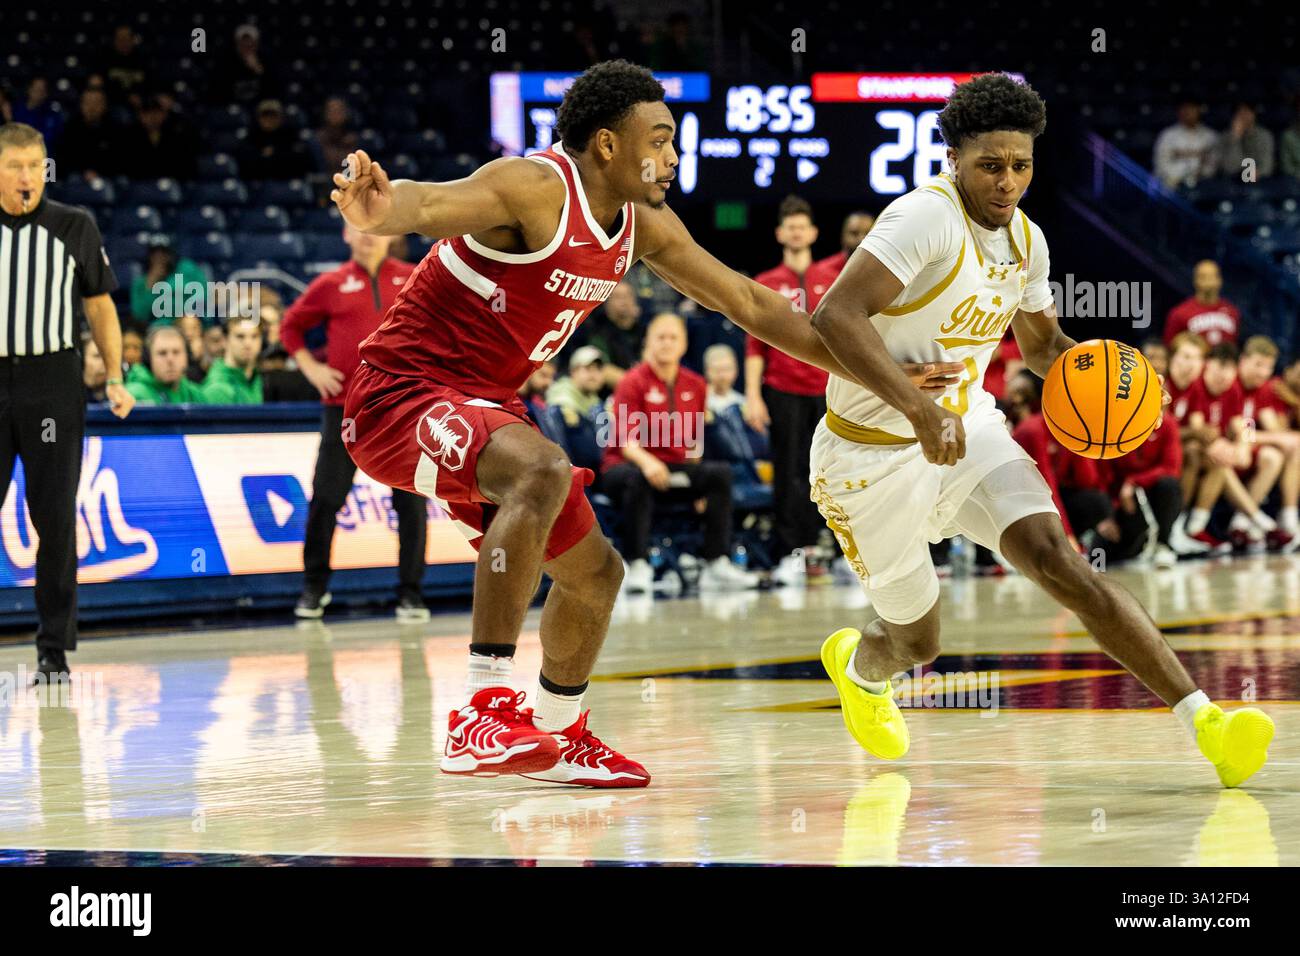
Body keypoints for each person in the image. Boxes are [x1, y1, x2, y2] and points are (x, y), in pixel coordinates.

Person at [332, 60, 954, 788]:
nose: (675, 155)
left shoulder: (643, 226)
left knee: (596, 575)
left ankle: (558, 733)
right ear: (606, 144)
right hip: (397, 395)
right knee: (543, 469)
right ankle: (479, 709)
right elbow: (430, 204)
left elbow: (753, 306)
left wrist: (874, 369)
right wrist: (379, 209)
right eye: (661, 138)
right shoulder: (534, 187)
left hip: (483, 408)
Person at [807, 73, 1274, 789]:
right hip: (869, 455)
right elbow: (833, 315)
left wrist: (1118, 383)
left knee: (1065, 563)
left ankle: (1207, 722)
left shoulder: (1027, 240)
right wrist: (913, 405)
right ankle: (860, 669)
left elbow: (1041, 345)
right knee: (917, 642)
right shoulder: (922, 219)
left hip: (965, 430)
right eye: (990, 164)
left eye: (1021, 165)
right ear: (954, 158)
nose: (1007, 181)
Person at [0, 122, 135, 683]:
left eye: (35, 165)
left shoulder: (73, 225)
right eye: (15, 166)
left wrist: (116, 376)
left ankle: (52, 649)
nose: (27, 176)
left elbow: (100, 305)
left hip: (52, 382)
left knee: (54, 518)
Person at [280, 224, 429, 621]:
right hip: (344, 410)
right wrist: (312, 368)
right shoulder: (330, 284)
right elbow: (289, 326)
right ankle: (314, 589)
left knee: (411, 503)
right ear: (344, 234)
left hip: (400, 408)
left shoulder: (412, 276)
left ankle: (410, 594)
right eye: (357, 228)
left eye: (374, 227)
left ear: (389, 233)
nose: (366, 235)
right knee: (326, 499)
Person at [601, 312, 756, 593]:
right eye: (661, 337)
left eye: (674, 337)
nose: (667, 343)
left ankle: (715, 562)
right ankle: (636, 564)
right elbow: (626, 441)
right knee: (638, 478)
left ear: (684, 344)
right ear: (648, 342)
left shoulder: (695, 384)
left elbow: (694, 442)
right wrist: (648, 464)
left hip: (674, 466)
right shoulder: (632, 382)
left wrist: (697, 486)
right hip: (627, 464)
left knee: (718, 474)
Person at [744, 195, 839, 582]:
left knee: (829, 471)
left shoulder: (834, 280)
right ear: (780, 233)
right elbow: (755, 346)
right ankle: (790, 553)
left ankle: (830, 549)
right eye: (790, 226)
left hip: (827, 388)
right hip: (782, 389)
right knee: (788, 473)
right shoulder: (766, 283)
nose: (797, 232)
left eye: (803, 226)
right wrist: (752, 395)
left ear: (813, 232)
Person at [1162, 260, 1240, 347]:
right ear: (1195, 280)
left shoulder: (1232, 312)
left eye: (1213, 276)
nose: (1209, 282)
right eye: (1203, 277)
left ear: (1220, 280)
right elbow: (1170, 347)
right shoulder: (1179, 314)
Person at [125, 324, 208, 404]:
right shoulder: (132, 396)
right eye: (162, 353)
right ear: (148, 359)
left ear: (187, 357)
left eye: (176, 352)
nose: (170, 359)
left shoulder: (195, 394)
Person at [1154, 99, 1219, 189]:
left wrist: (1181, 155)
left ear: (1198, 110)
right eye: (1184, 108)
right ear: (1178, 111)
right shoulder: (1167, 135)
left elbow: (1213, 166)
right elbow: (1161, 165)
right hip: (1172, 185)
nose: (1187, 112)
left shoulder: (1210, 135)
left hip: (1203, 184)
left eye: (1191, 108)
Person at [201, 314, 264, 403]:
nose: (248, 343)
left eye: (254, 336)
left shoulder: (257, 380)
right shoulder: (217, 389)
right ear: (225, 340)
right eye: (240, 336)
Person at [546, 345, 605, 422]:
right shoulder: (561, 398)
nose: (594, 375)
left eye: (598, 369)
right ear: (573, 371)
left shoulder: (594, 400)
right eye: (588, 368)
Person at [1219, 103, 1275, 179]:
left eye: (1247, 111)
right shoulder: (1226, 136)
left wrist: (1256, 173)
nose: (1243, 116)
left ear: (1254, 114)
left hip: (1257, 179)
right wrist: (1236, 138)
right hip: (1232, 179)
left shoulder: (1264, 136)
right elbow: (1230, 168)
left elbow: (1267, 167)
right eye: (1240, 112)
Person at [815, 210, 875, 276]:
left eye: (868, 234)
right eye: (854, 233)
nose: (861, 239)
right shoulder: (823, 270)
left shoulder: (882, 271)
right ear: (843, 236)